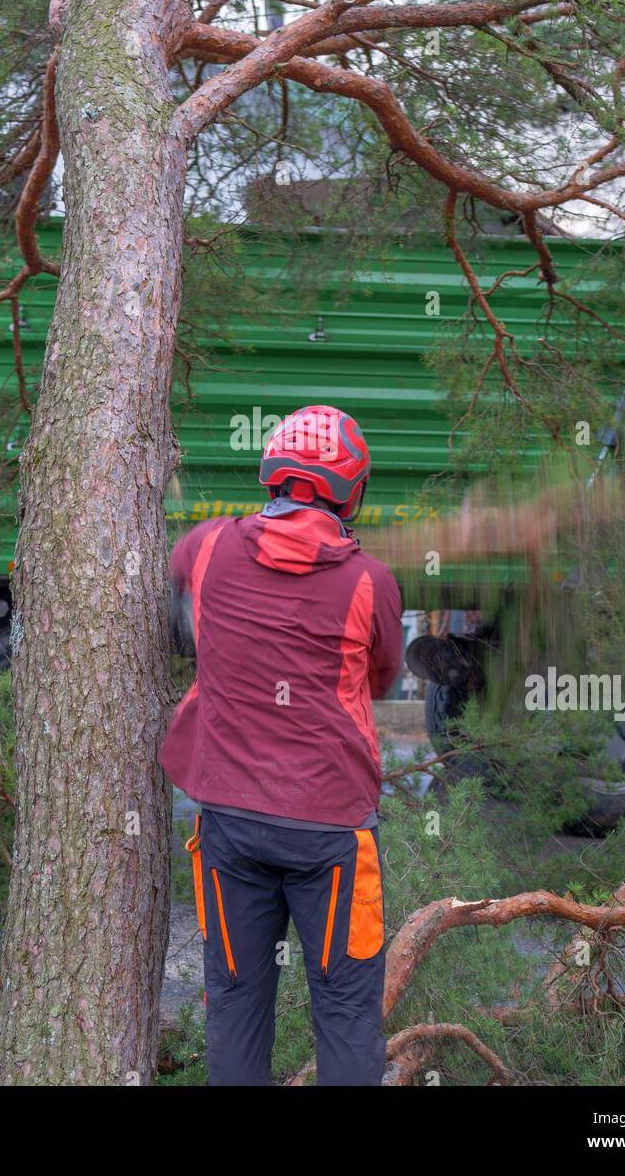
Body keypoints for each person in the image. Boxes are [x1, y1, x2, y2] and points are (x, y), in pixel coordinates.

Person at [160, 404, 403, 1086]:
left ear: (272, 473)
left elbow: (186, 614)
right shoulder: (370, 583)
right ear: (350, 491)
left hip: (230, 829)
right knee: (347, 1013)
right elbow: (379, 679)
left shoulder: (203, 548)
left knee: (234, 1005)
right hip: (332, 837)